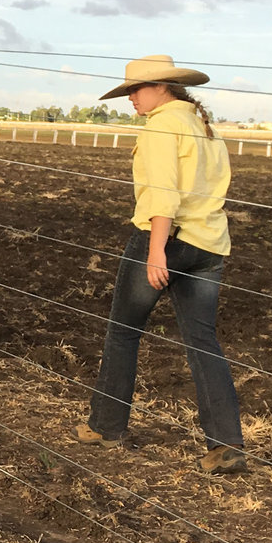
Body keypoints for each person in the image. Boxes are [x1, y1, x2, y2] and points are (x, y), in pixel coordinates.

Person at [76, 55, 247, 474]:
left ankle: (106, 425)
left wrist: (156, 250)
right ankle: (226, 444)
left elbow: (162, 192)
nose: (131, 97)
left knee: (123, 332)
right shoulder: (202, 124)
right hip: (209, 244)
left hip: (168, 240)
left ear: (163, 88)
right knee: (202, 340)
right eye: (128, 91)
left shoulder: (161, 126)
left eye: (137, 89)